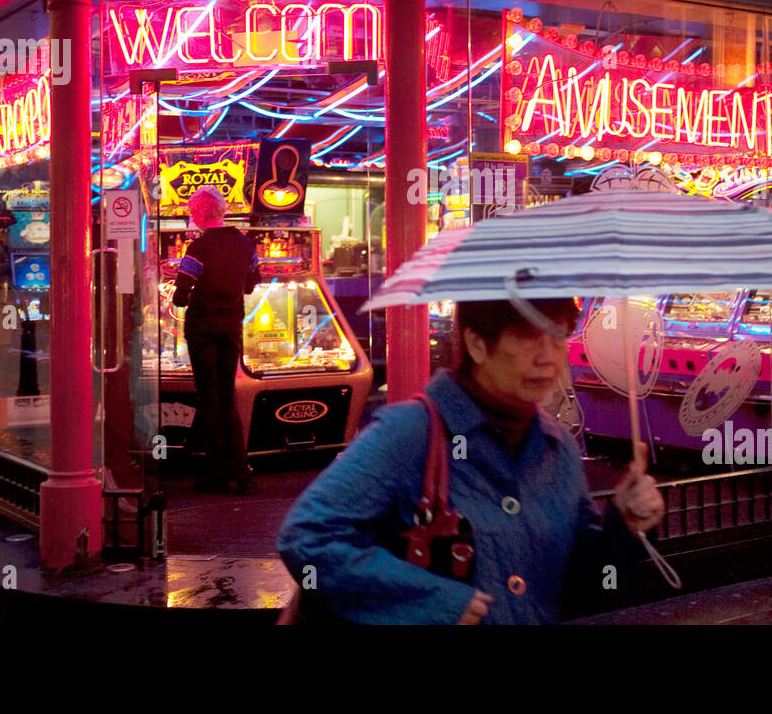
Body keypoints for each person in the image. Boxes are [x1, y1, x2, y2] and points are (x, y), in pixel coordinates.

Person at [276, 297, 665, 624]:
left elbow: (581, 585)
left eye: (559, 336)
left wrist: (624, 527)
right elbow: (309, 537)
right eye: (528, 337)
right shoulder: (410, 431)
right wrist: (431, 602)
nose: (549, 358)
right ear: (477, 345)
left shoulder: (557, 447)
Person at [172, 186, 262, 494]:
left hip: (202, 327)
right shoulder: (245, 244)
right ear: (221, 211)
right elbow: (252, 284)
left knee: (209, 398)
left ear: (198, 214)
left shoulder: (199, 247)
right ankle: (242, 473)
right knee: (227, 398)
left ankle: (216, 474)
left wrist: (182, 295)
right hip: (231, 325)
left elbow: (181, 294)